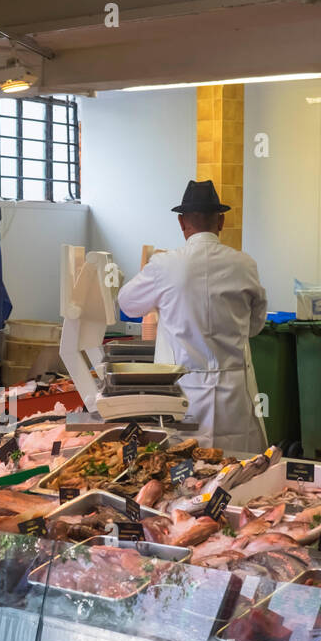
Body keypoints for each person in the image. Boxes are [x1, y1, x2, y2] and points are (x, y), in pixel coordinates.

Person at [117, 179, 268, 451]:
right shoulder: (245, 265)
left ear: (182, 222)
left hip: (183, 392)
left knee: (186, 471)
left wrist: (163, 301)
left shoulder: (165, 265)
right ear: (220, 221)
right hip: (233, 393)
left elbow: (127, 305)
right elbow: (255, 326)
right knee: (237, 469)